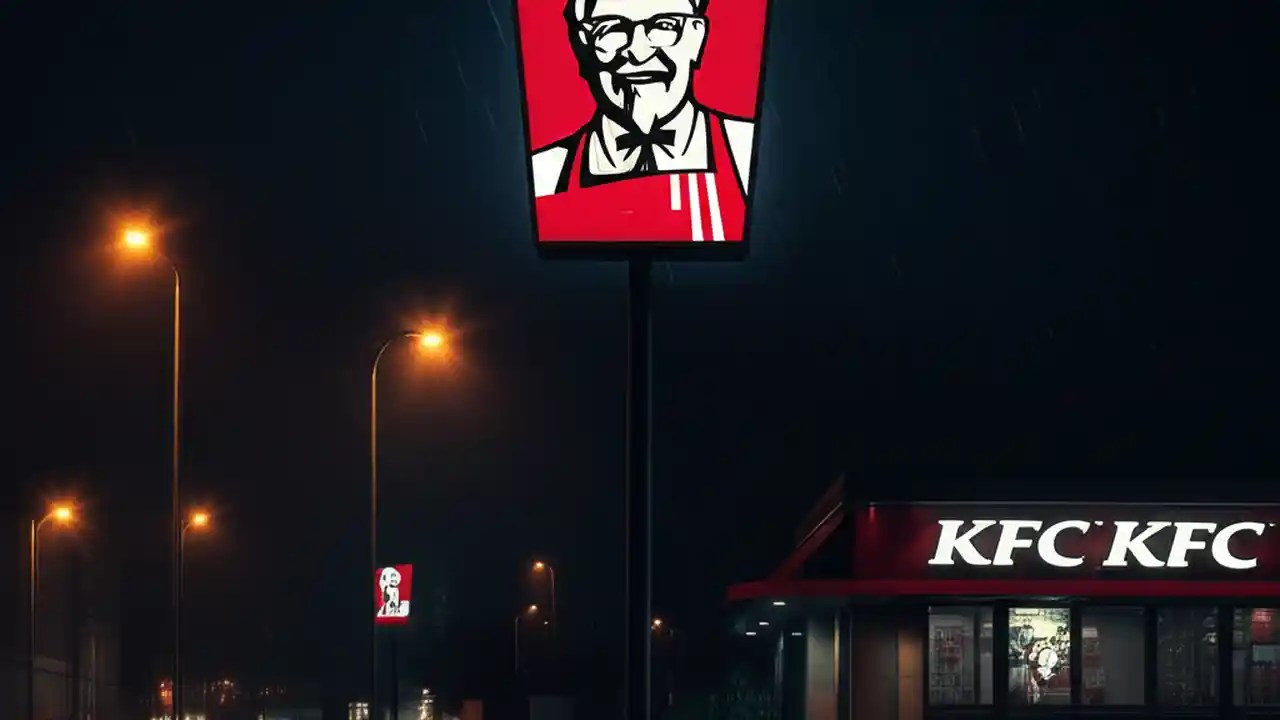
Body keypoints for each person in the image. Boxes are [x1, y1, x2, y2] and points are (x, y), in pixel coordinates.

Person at [529, 0, 759, 243]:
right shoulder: (548, 173)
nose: (639, 53)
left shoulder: (744, 152)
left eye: (664, 25)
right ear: (584, 46)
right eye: (612, 29)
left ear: (696, 38)